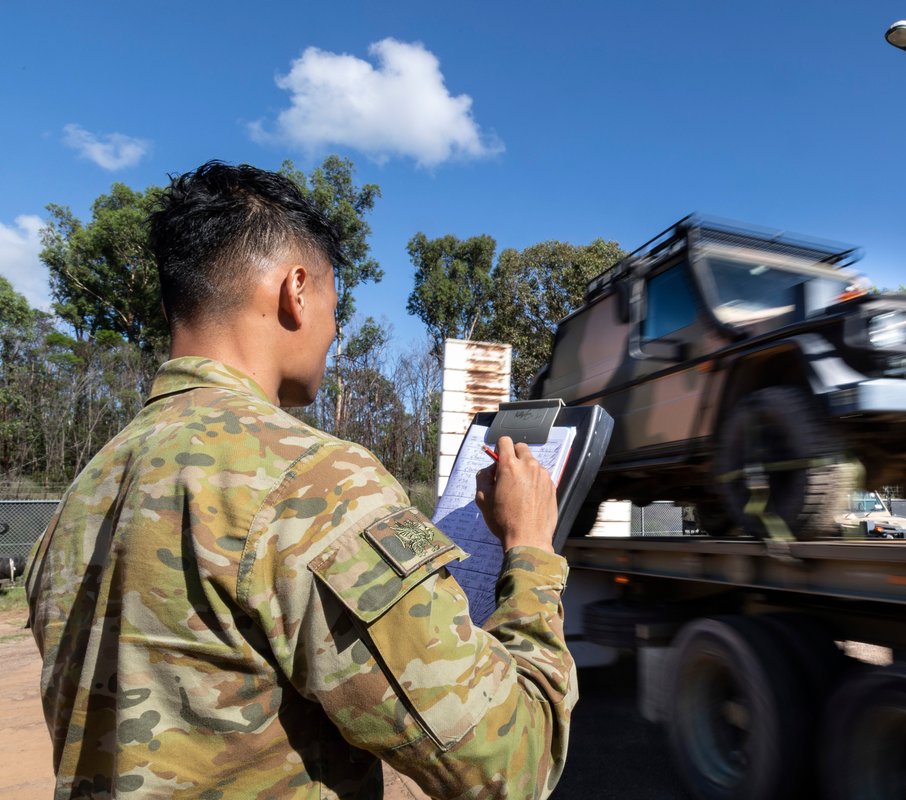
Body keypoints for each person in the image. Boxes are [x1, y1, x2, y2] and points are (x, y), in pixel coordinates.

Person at [25, 161, 576, 799]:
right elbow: (511, 762)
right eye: (335, 307)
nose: (334, 331)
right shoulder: (313, 481)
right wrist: (531, 549)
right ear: (296, 289)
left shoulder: (85, 493)